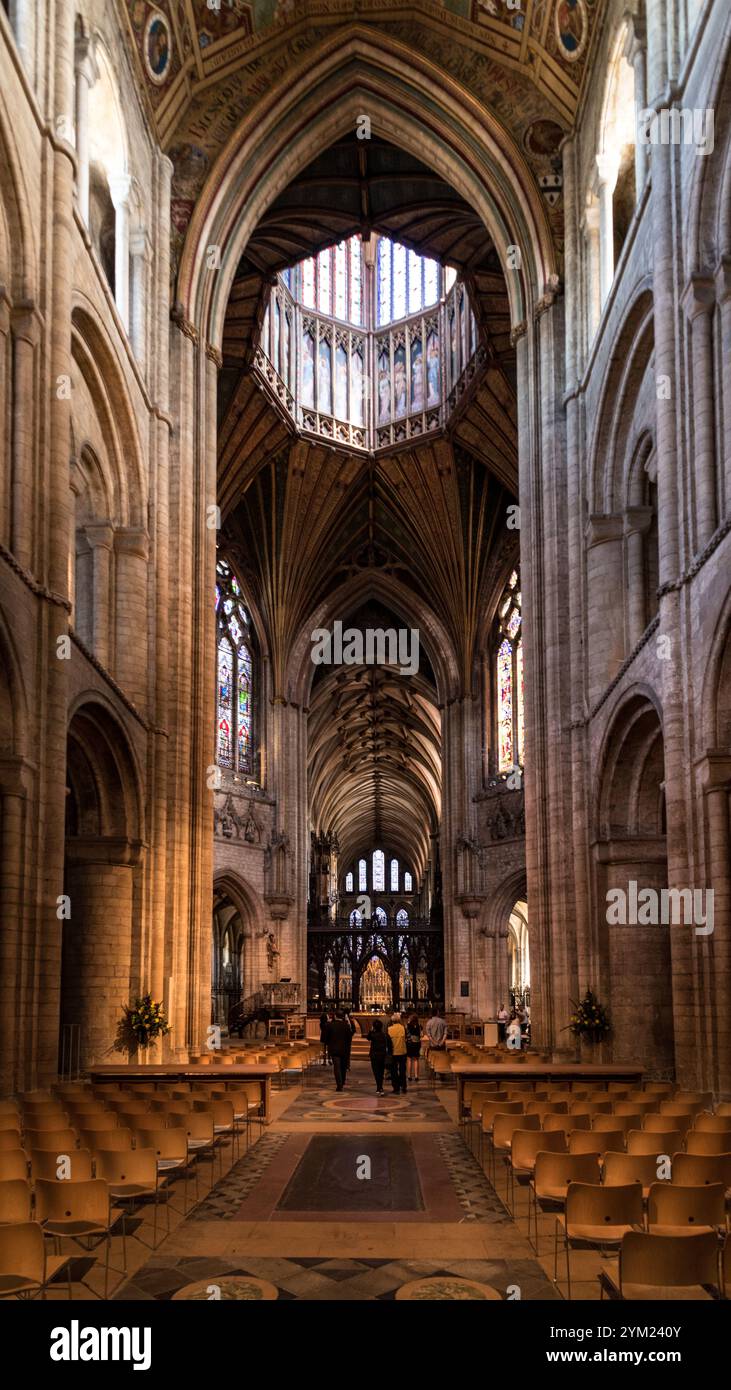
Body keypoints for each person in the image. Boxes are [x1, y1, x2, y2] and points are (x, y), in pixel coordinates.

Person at [325, 1009, 353, 1091]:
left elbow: (327, 1038)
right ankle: (343, 1081)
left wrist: (329, 1045)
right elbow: (349, 1038)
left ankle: (339, 1085)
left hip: (334, 1049)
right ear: (343, 1017)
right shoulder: (346, 1025)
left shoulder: (330, 1025)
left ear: (335, 1016)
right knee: (343, 1067)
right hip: (344, 1049)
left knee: (337, 1068)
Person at [387, 1011, 408, 1093]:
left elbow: (388, 1042)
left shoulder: (389, 1029)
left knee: (394, 1071)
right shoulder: (403, 1028)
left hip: (393, 1052)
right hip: (402, 1052)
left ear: (392, 1021)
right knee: (402, 1070)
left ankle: (396, 1088)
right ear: (399, 1020)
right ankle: (403, 1087)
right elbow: (408, 1038)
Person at [368, 1018, 388, 1096]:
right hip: (382, 1055)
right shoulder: (384, 1035)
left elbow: (368, 1037)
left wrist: (371, 1030)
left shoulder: (373, 1035)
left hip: (374, 1056)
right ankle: (380, 1087)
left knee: (376, 1072)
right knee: (381, 1072)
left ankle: (379, 1087)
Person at [405, 1013, 422, 1082]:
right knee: (416, 1060)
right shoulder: (419, 1026)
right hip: (417, 1043)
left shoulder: (407, 1026)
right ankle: (416, 1076)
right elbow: (422, 1034)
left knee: (409, 1059)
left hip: (410, 1043)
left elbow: (406, 1034)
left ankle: (409, 1076)